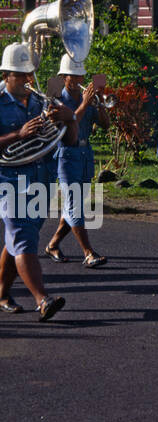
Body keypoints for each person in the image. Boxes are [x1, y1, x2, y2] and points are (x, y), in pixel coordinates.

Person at [0, 41, 76, 320]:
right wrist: (18, 135)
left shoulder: (40, 101)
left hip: (41, 178)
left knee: (18, 239)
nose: (26, 80)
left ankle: (1, 293)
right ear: (6, 75)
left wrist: (70, 119)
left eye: (29, 74)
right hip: (9, 179)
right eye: (20, 75)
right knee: (23, 239)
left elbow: (71, 140)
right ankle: (42, 299)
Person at [45, 56, 107, 267]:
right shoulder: (56, 101)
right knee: (74, 206)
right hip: (66, 155)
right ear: (64, 77)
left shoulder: (86, 98)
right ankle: (88, 252)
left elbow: (105, 125)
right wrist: (85, 103)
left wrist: (100, 103)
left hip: (85, 154)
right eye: (74, 75)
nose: (80, 78)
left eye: (81, 74)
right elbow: (68, 124)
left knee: (74, 205)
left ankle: (53, 244)